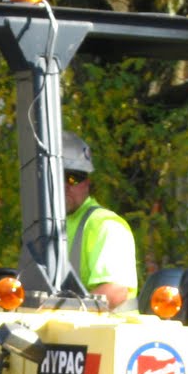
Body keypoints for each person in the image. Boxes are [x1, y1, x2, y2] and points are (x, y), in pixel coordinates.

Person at [62, 132, 137, 310]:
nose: (65, 184)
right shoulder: (49, 227)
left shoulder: (106, 226)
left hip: (104, 333)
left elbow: (114, 291)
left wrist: (59, 314)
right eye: (58, 176)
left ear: (87, 182)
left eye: (73, 178)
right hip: (65, 333)